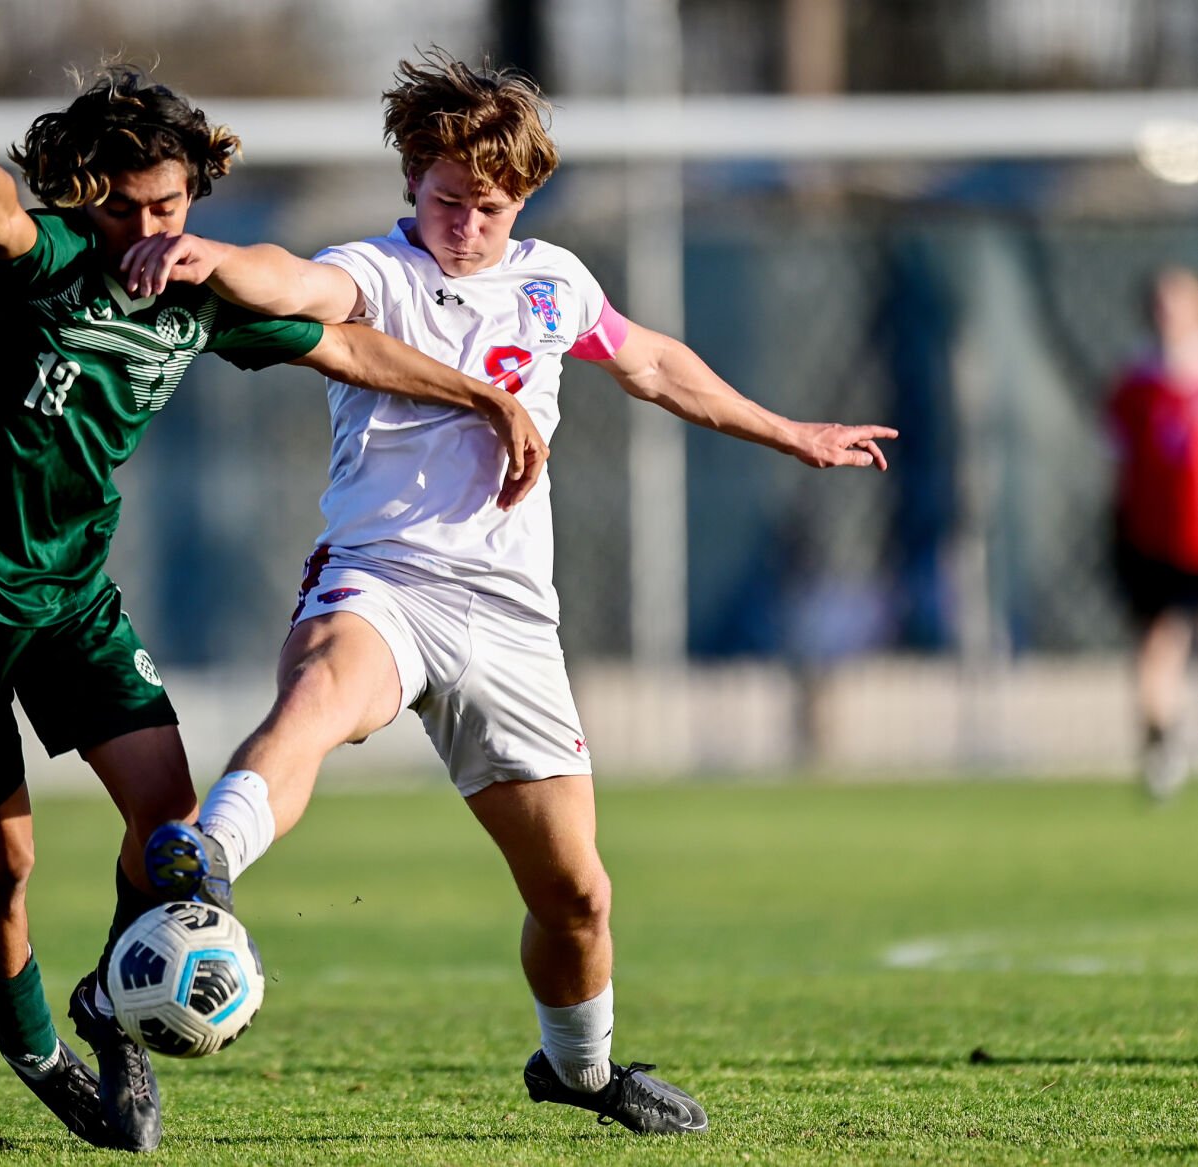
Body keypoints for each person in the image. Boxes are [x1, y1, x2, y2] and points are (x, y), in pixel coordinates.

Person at [120, 49, 896, 1137]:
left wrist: (792, 433)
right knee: (318, 703)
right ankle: (205, 856)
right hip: (382, 580)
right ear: (410, 184)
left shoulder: (555, 283)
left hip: (514, 622)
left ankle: (579, 1072)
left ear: (522, 198)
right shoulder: (379, 270)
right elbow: (290, 280)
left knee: (577, 898)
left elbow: (654, 364)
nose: (464, 225)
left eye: (487, 207)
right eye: (444, 200)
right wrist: (203, 255)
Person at [0, 69, 550, 1153]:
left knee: (171, 821)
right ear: (84, 197)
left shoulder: (196, 293)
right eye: (126, 207)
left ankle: (119, 1011)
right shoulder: (49, 259)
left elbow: (348, 348)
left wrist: (487, 396)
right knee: (4, 867)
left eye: (169, 206)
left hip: (71, 594)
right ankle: (35, 1047)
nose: (146, 227)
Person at [1106, 264, 1198, 803]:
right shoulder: (1136, 382)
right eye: (1161, 304)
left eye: (1179, 303)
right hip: (1154, 537)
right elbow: (1117, 458)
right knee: (1157, 646)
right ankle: (1162, 742)